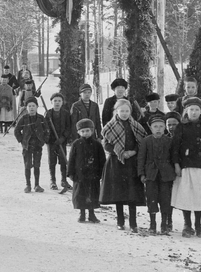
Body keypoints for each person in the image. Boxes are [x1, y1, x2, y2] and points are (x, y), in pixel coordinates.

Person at [170, 98, 201, 238]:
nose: (194, 112)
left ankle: (198, 225)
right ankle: (187, 224)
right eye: (191, 110)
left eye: (197, 110)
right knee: (186, 195)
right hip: (185, 167)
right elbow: (175, 148)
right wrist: (176, 164)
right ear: (186, 111)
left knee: (198, 196)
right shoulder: (181, 127)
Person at [100, 100, 148, 232]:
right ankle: (120, 221)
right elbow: (106, 144)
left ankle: (133, 223)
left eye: (127, 111)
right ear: (116, 111)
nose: (125, 113)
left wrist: (133, 152)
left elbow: (141, 142)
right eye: (122, 111)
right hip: (116, 163)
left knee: (132, 194)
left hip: (132, 163)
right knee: (119, 194)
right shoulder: (110, 127)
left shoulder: (136, 126)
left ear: (130, 112)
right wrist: (119, 152)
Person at [137, 114, 176, 235]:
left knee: (165, 199)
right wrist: (141, 174)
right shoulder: (146, 141)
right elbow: (141, 158)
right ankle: (152, 224)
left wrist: (174, 173)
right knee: (151, 198)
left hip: (166, 175)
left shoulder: (169, 141)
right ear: (151, 128)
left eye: (161, 126)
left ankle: (164, 224)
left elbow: (173, 158)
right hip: (151, 175)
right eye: (155, 126)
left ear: (164, 128)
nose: (158, 129)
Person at [68, 118, 105, 222]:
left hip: (93, 174)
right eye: (82, 131)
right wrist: (70, 173)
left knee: (92, 194)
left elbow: (102, 160)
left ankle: (92, 214)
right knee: (81, 194)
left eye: (87, 130)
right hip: (80, 175)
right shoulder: (76, 144)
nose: (85, 133)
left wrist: (101, 173)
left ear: (92, 131)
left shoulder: (97, 144)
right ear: (78, 132)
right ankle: (82, 214)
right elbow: (71, 159)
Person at [14, 96, 47, 193]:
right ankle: (28, 185)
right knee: (27, 165)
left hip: (37, 145)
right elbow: (16, 130)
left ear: (37, 107)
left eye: (33, 106)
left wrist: (43, 140)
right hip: (27, 146)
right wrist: (22, 140)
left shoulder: (41, 118)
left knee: (37, 164)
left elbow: (47, 130)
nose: (31, 108)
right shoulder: (23, 118)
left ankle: (37, 185)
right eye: (29, 106)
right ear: (26, 108)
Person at [45, 92, 73, 192]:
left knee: (63, 160)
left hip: (62, 141)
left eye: (59, 101)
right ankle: (52, 180)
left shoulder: (65, 113)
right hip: (51, 142)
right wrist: (50, 139)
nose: (57, 103)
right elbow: (45, 128)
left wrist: (63, 138)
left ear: (62, 102)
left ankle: (64, 180)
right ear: (51, 102)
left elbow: (68, 127)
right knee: (52, 161)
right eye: (55, 101)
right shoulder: (48, 113)